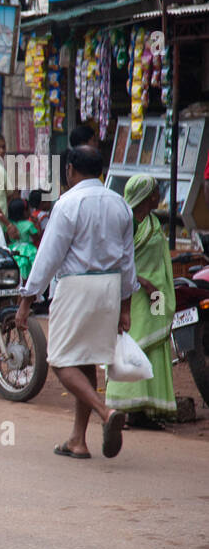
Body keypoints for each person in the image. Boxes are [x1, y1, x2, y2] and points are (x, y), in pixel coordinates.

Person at [15, 146, 137, 459]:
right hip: (109, 288)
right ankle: (77, 440)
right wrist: (126, 306)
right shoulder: (120, 203)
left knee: (59, 359)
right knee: (87, 359)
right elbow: (127, 260)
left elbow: (47, 257)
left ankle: (105, 411)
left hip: (76, 287)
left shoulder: (68, 203)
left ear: (70, 170)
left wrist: (27, 299)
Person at [104, 175, 176, 429]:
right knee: (131, 346)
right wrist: (142, 281)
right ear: (146, 196)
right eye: (155, 192)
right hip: (134, 296)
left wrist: (156, 288)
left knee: (154, 346)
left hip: (157, 297)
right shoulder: (129, 223)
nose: (159, 196)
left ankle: (143, 409)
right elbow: (118, 259)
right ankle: (119, 407)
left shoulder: (154, 222)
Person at [6, 198, 41, 281]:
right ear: (24, 212)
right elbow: (36, 237)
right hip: (28, 250)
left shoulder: (10, 225)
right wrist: (37, 224)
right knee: (30, 271)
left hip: (13, 249)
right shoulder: (28, 224)